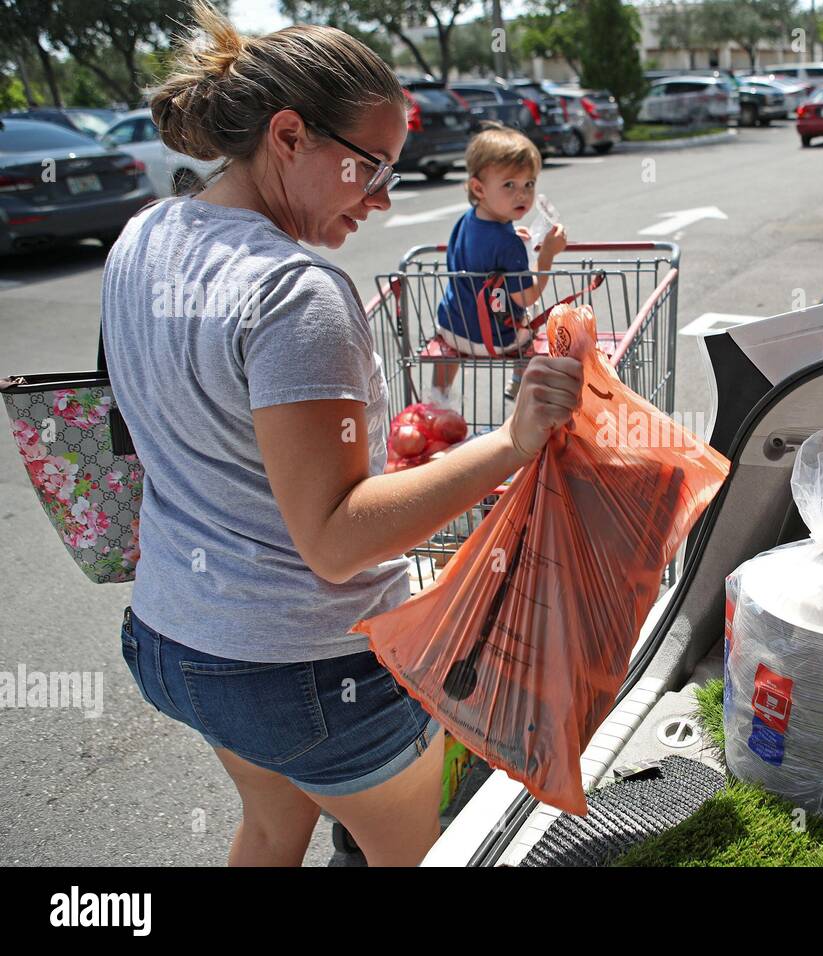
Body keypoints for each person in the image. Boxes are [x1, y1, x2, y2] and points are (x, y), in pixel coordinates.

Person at [100, 0, 583, 867]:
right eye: (371, 167)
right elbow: (333, 541)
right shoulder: (296, 291)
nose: (386, 197)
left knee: (272, 828)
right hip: (310, 673)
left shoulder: (144, 235)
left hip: (178, 639)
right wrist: (510, 442)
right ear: (289, 135)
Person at [434, 121, 567, 399]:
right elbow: (527, 297)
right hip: (492, 340)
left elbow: (481, 258)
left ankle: (438, 395)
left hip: (451, 327)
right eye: (509, 184)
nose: (522, 194)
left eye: (529, 184)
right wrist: (546, 257)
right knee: (531, 326)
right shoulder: (508, 244)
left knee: (465, 316)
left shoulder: (468, 220)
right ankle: (521, 381)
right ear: (479, 188)